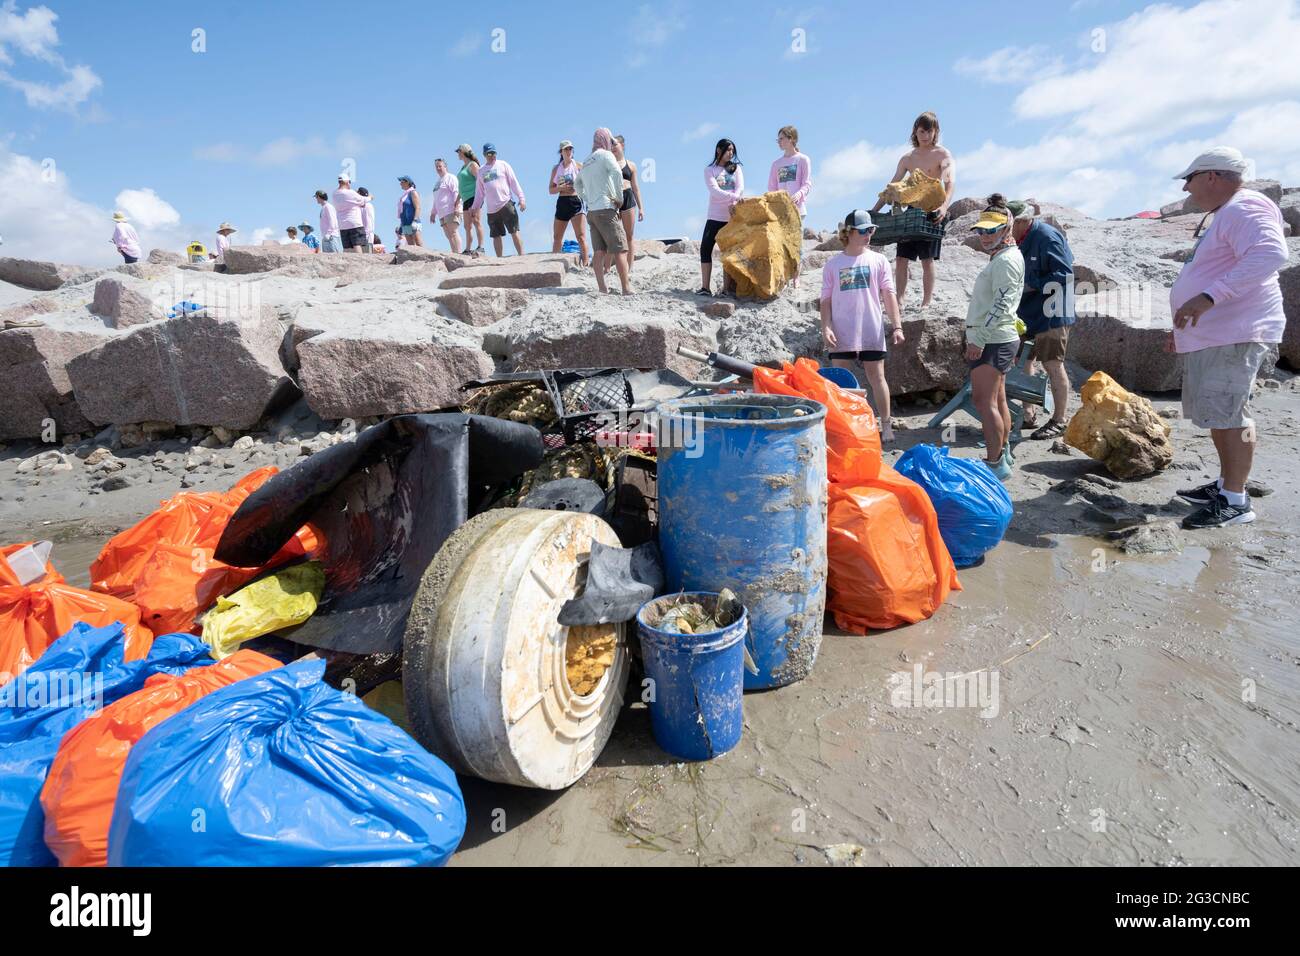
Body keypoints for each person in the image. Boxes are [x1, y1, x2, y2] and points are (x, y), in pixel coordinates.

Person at [1169, 146, 1288, 529]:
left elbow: (1271, 253)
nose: (1187, 190)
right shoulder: (1230, 210)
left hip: (1236, 331)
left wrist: (1208, 297)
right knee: (1221, 413)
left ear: (1211, 176)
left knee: (1232, 414)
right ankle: (1225, 485)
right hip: (1217, 334)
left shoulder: (1243, 206)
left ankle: (1236, 499)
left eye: (1189, 180)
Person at [820, 210, 904, 442]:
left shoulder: (878, 260)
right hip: (841, 331)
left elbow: (889, 293)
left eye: (872, 230)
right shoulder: (833, 265)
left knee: (877, 377)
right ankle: (843, 428)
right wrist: (825, 327)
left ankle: (886, 425)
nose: (869, 234)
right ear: (849, 233)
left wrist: (897, 326)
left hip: (870, 329)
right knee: (840, 381)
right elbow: (825, 300)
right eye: (864, 230)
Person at [964, 194, 1025, 480]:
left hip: (993, 339)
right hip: (998, 337)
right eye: (982, 230)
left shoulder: (1005, 261)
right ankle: (1003, 453)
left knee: (983, 402)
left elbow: (1002, 304)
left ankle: (994, 464)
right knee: (998, 401)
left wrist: (979, 339)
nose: (985, 236)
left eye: (992, 230)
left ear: (1006, 229)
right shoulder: (1004, 256)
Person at [871, 111, 955, 309]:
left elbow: (950, 183)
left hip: (932, 211)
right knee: (901, 258)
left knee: (927, 259)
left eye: (929, 131)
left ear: (935, 132)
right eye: (921, 131)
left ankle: (926, 302)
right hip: (910, 212)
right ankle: (899, 299)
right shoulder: (907, 158)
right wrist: (874, 210)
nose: (925, 135)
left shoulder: (943, 155)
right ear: (915, 133)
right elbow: (893, 187)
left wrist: (944, 207)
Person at [1012, 202, 1075, 440]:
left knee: (1052, 363)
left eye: (1009, 225)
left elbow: (1065, 273)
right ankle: (1028, 414)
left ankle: (1060, 419)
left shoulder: (1047, 237)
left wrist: (1032, 285)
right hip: (1027, 312)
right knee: (1023, 360)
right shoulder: (1018, 239)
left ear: (1020, 222)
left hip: (1052, 312)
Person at [576, 127, 631, 295]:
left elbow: (577, 184)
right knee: (620, 249)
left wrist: (587, 198)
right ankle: (626, 288)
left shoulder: (586, 161)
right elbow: (616, 172)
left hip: (592, 212)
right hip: (606, 208)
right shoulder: (606, 155)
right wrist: (618, 197)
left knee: (599, 252)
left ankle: (602, 288)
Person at [699, 138, 744, 296]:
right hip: (714, 216)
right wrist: (734, 198)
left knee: (728, 252)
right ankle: (705, 287)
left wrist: (735, 198)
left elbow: (740, 188)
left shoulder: (735, 168)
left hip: (731, 217)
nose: (731, 153)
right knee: (705, 249)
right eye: (728, 150)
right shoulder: (709, 170)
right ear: (719, 150)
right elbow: (714, 191)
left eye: (732, 150)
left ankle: (726, 289)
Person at [768, 125, 812, 282]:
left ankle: (796, 278)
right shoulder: (776, 164)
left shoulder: (803, 159)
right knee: (781, 244)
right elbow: (772, 188)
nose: (779, 142)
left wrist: (798, 195)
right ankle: (785, 276)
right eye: (777, 139)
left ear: (791, 139)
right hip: (780, 212)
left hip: (798, 209)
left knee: (796, 245)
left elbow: (807, 184)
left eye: (781, 139)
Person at [470, 143, 526, 257]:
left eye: (494, 153)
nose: (492, 156)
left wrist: (522, 198)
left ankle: (522, 256)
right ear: (484, 155)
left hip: (506, 204)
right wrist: (474, 207)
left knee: (514, 231)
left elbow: (514, 183)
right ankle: (499, 259)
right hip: (491, 210)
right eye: (489, 153)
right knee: (496, 235)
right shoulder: (481, 171)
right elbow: (479, 193)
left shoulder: (503, 165)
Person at [550, 140, 588, 266]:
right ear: (561, 152)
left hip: (576, 200)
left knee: (581, 237)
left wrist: (577, 187)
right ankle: (554, 265)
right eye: (566, 149)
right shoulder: (556, 169)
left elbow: (587, 184)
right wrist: (561, 188)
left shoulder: (578, 166)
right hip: (562, 201)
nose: (569, 151)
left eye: (570, 149)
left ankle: (586, 264)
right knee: (557, 238)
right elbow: (551, 189)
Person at [613, 135, 644, 272]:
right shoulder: (609, 164)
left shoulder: (631, 165)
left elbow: (636, 187)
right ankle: (609, 267)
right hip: (613, 200)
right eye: (611, 144)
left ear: (622, 145)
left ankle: (629, 268)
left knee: (629, 235)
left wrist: (641, 208)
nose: (613, 147)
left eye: (615, 144)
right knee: (613, 235)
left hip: (628, 197)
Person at [427, 159, 463, 253]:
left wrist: (457, 207)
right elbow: (436, 198)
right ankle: (454, 253)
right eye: (436, 167)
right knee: (448, 235)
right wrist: (433, 213)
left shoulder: (450, 177)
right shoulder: (437, 182)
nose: (438, 168)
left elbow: (456, 192)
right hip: (441, 213)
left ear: (445, 167)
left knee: (453, 232)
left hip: (450, 209)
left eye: (440, 166)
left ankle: (459, 253)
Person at [332, 174, 373, 254]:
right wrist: (370, 197)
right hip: (354, 223)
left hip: (342, 224)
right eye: (349, 182)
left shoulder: (334, 194)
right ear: (347, 182)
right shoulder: (350, 193)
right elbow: (362, 200)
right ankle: (360, 263)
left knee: (347, 247)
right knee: (357, 244)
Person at [455, 144, 485, 254]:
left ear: (463, 152)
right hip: (466, 199)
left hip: (474, 197)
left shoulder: (473, 165)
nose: (458, 154)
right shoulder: (463, 167)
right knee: (467, 226)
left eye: (458, 151)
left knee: (476, 221)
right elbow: (462, 185)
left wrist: (478, 200)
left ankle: (481, 247)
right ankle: (468, 249)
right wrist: (457, 199)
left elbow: (480, 181)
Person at [396, 175, 423, 247]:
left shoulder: (413, 192)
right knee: (410, 246)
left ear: (407, 182)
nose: (400, 184)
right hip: (405, 223)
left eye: (401, 182)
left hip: (413, 221)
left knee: (418, 242)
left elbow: (418, 207)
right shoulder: (404, 195)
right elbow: (403, 211)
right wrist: (401, 225)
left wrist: (415, 220)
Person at [357, 187, 377, 253]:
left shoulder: (367, 205)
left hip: (365, 236)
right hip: (363, 235)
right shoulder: (363, 205)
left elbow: (369, 222)